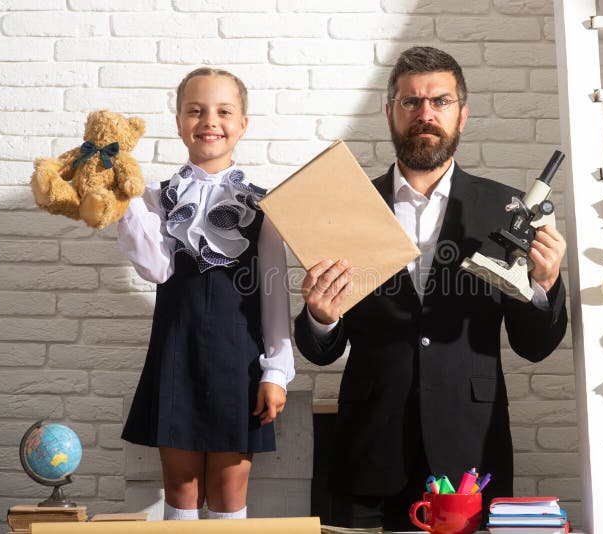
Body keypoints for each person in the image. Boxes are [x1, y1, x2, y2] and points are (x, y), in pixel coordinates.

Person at [293, 46, 568, 531]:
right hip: (370, 446)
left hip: (469, 451)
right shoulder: (347, 207)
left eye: (439, 101)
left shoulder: (504, 208)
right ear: (389, 113)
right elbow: (320, 351)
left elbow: (534, 346)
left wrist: (543, 286)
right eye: (410, 102)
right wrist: (321, 317)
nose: (425, 114)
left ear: (463, 113)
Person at [117, 67, 295, 521]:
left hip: (240, 357)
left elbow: (274, 291)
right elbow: (157, 268)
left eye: (223, 111)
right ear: (179, 122)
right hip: (176, 350)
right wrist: (126, 200)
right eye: (195, 111)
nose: (208, 121)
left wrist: (277, 371)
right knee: (180, 484)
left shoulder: (264, 203)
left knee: (229, 485)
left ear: (243, 124)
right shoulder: (157, 196)